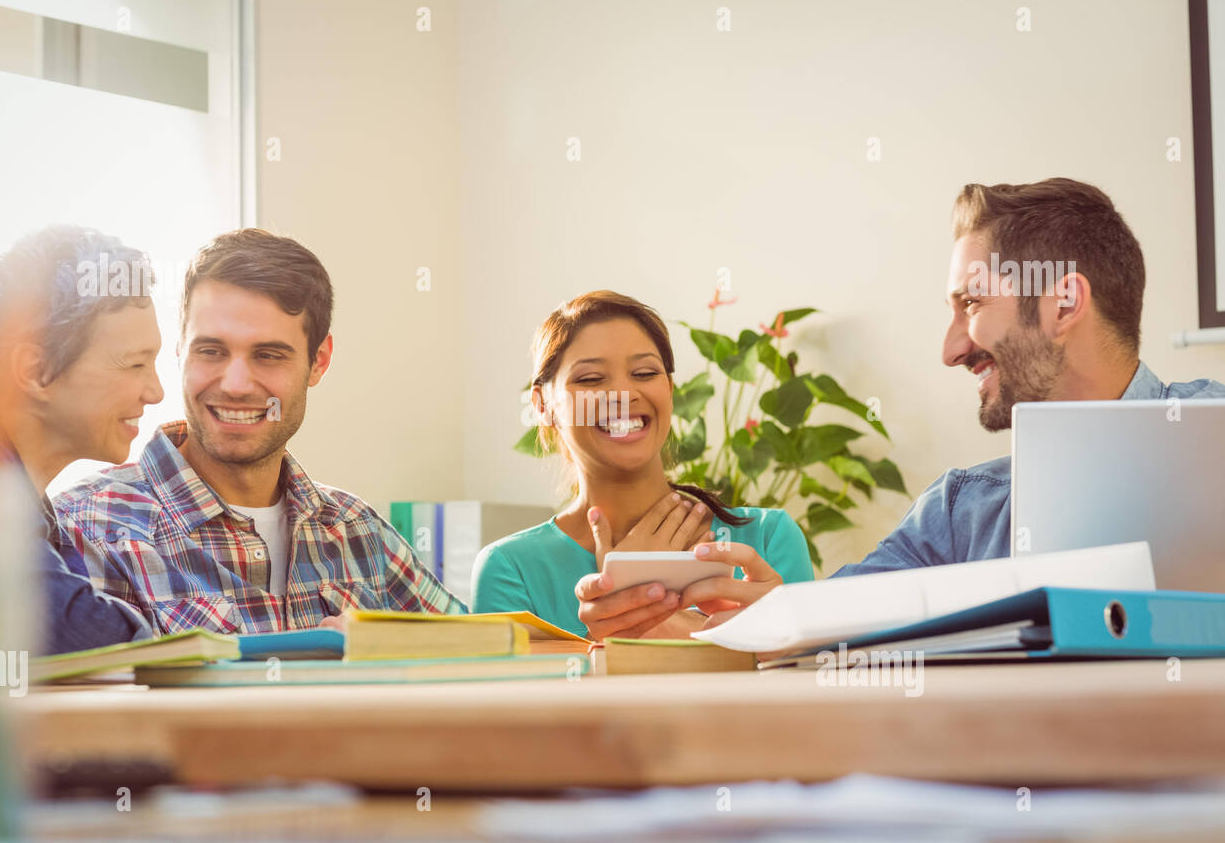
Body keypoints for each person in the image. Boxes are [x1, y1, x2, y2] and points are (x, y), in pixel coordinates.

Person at [54, 229, 464, 634]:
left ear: (318, 361)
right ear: (179, 350)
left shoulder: (360, 531)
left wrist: (391, 653)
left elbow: (486, 652)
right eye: (211, 351)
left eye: (268, 355)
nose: (235, 384)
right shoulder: (82, 532)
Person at [835, 178, 1225, 577]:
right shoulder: (958, 514)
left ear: (1064, 304)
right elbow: (831, 621)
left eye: (971, 303)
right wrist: (780, 614)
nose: (950, 352)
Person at [471, 290, 813, 639]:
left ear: (669, 389)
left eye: (645, 373)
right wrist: (611, 633)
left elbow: (801, 685)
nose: (623, 394)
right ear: (542, 405)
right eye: (590, 379)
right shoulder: (510, 569)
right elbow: (517, 695)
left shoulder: (769, 538)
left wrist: (651, 617)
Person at [0, 226, 161, 653]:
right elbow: (82, 632)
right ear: (35, 371)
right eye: (134, 365)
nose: (156, 392)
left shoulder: (30, 506)